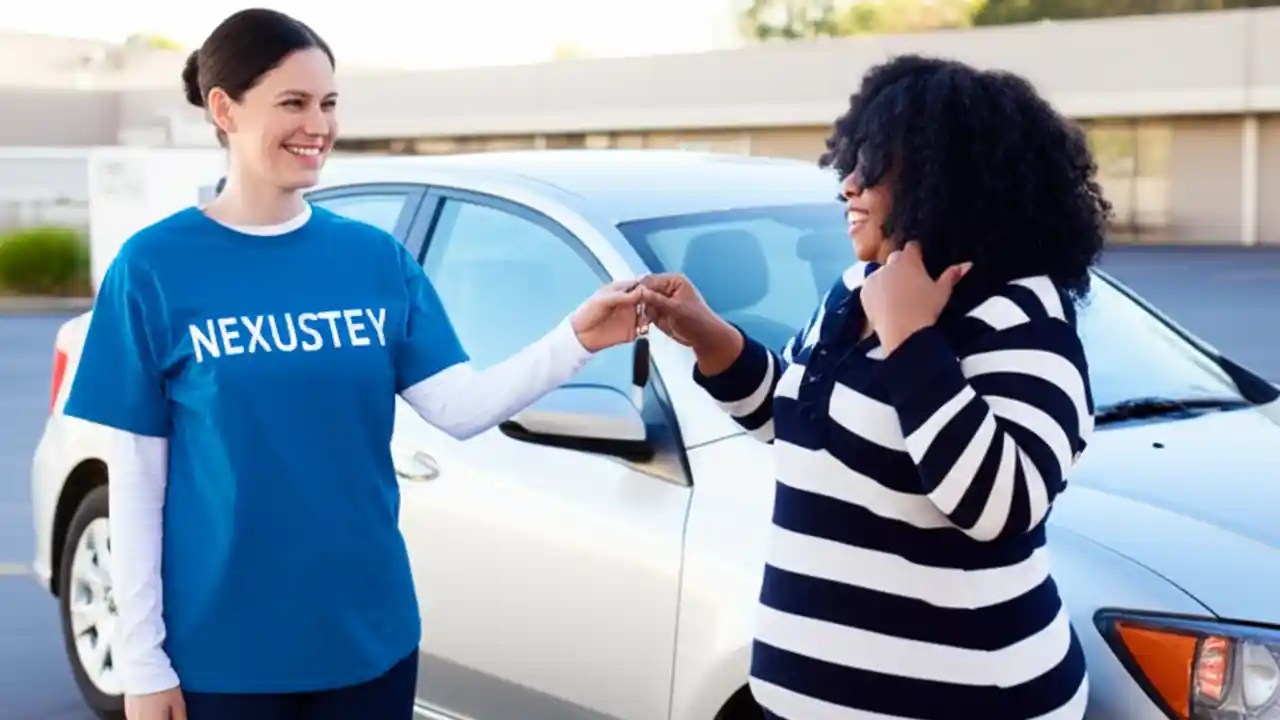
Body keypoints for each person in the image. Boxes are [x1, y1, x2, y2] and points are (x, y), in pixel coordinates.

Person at [62, 9, 646, 720]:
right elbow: (136, 486)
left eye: (329, 103)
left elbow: (461, 407)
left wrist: (575, 339)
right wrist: (144, 662)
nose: (319, 125)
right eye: (294, 102)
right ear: (224, 109)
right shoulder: (153, 268)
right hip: (223, 656)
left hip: (369, 643)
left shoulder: (374, 260)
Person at [639, 54, 1107, 720]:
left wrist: (912, 338)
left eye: (873, 166)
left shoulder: (1022, 317)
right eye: (849, 162)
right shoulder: (859, 289)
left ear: (945, 180)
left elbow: (1003, 503)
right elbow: (802, 423)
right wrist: (710, 335)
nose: (846, 186)